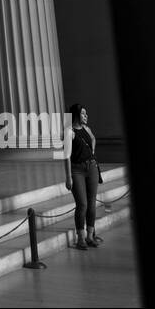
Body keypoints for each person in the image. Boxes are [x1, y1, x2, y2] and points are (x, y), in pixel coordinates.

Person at [62, 103, 103, 249]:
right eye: (83, 113)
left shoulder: (87, 129)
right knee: (82, 204)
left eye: (86, 113)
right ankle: (81, 238)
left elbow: (93, 138)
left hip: (91, 167)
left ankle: (90, 236)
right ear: (76, 114)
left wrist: (92, 151)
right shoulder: (69, 131)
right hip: (76, 170)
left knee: (91, 203)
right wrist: (68, 177)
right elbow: (66, 156)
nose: (86, 116)